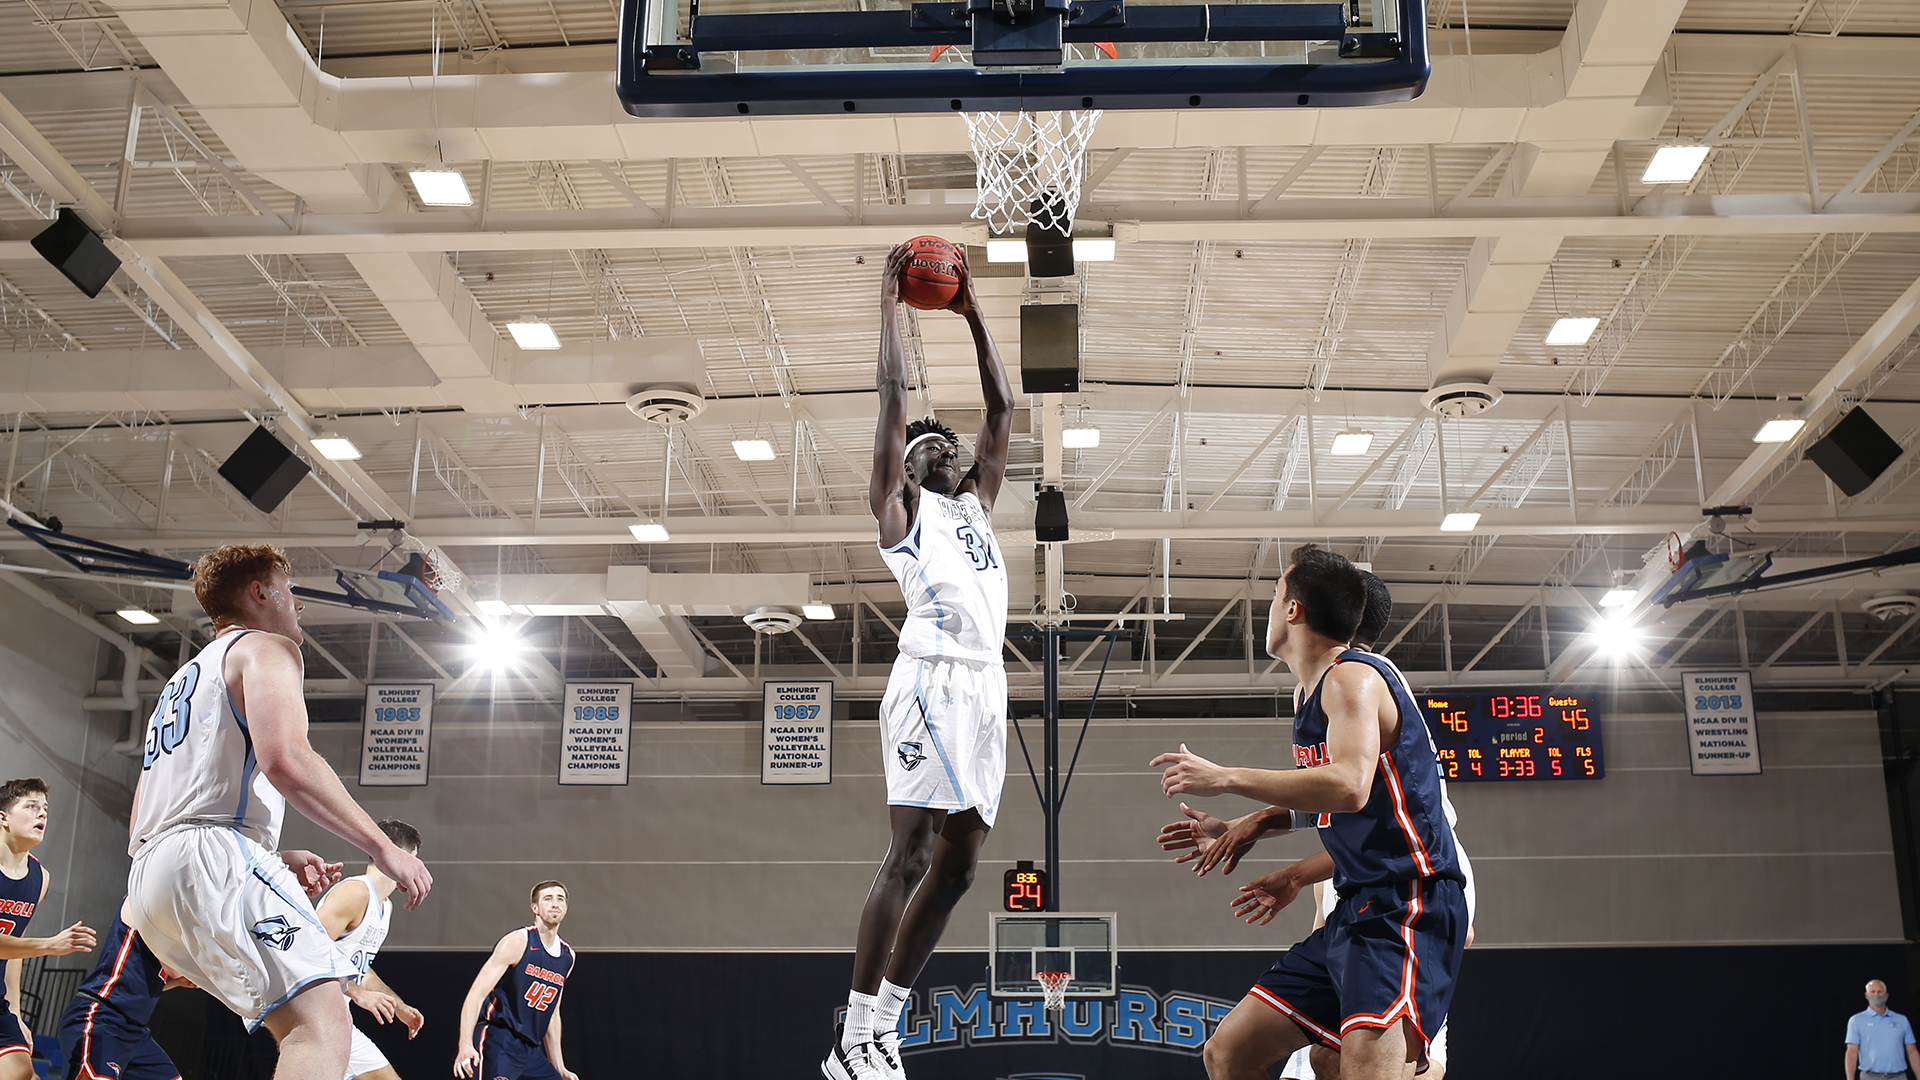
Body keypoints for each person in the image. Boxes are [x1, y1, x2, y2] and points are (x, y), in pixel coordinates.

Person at [1152, 545, 1467, 1080]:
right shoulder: (1311, 692)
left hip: (1407, 903)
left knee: (1369, 1070)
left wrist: (1226, 778)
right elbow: (1326, 795)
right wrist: (1246, 825)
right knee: (1229, 1052)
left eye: (1275, 595)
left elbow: (1348, 786)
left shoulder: (1355, 678)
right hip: (1357, 905)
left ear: (1293, 609)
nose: (1269, 607)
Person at [124, 544, 432, 1080]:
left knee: (298, 1022)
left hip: (151, 877)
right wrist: (381, 847)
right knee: (320, 1027)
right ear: (259, 593)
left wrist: (260, 857)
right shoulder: (265, 647)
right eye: (289, 592)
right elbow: (286, 760)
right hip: (209, 858)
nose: (299, 607)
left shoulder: (184, 679)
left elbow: (158, 808)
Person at [822, 241, 1014, 1080]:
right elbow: (893, 404)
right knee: (910, 851)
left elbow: (1003, 409)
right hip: (930, 680)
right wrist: (890, 307)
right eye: (919, 448)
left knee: (965, 864)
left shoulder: (975, 505)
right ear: (900, 471)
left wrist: (972, 311)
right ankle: (853, 1028)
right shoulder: (901, 513)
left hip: (986, 686)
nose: (934, 448)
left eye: (942, 446)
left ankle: (885, 1026)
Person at [0, 778, 97, 1079]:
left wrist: (15, 1011)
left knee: (23, 1074)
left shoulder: (39, 878)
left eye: (45, 809)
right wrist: (50, 945)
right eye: (31, 807)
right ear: (3, 817)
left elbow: (15, 948)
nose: (42, 814)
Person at [317, 820, 426, 1080]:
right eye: (415, 860)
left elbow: (359, 970)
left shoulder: (384, 907)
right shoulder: (355, 892)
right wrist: (357, 994)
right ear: (400, 856)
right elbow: (306, 951)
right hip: (310, 1012)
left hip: (334, 1016)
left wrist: (398, 1006)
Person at [452, 882, 576, 1080]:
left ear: (566, 908)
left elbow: (552, 1014)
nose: (555, 903)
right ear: (535, 908)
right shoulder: (518, 942)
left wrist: (559, 1066)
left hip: (531, 1049)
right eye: (548, 898)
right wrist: (465, 1044)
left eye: (560, 899)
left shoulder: (567, 956)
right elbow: (476, 995)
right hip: (499, 1039)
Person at [1845, 980, 1920, 1080]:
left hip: (1898, 1076)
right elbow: (1852, 1053)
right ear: (1866, 995)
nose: (1877, 995)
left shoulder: (1901, 1020)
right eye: (1873, 992)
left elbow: (1912, 1052)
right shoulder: (1856, 1021)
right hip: (1870, 1076)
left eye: (1880, 992)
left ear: (1887, 995)